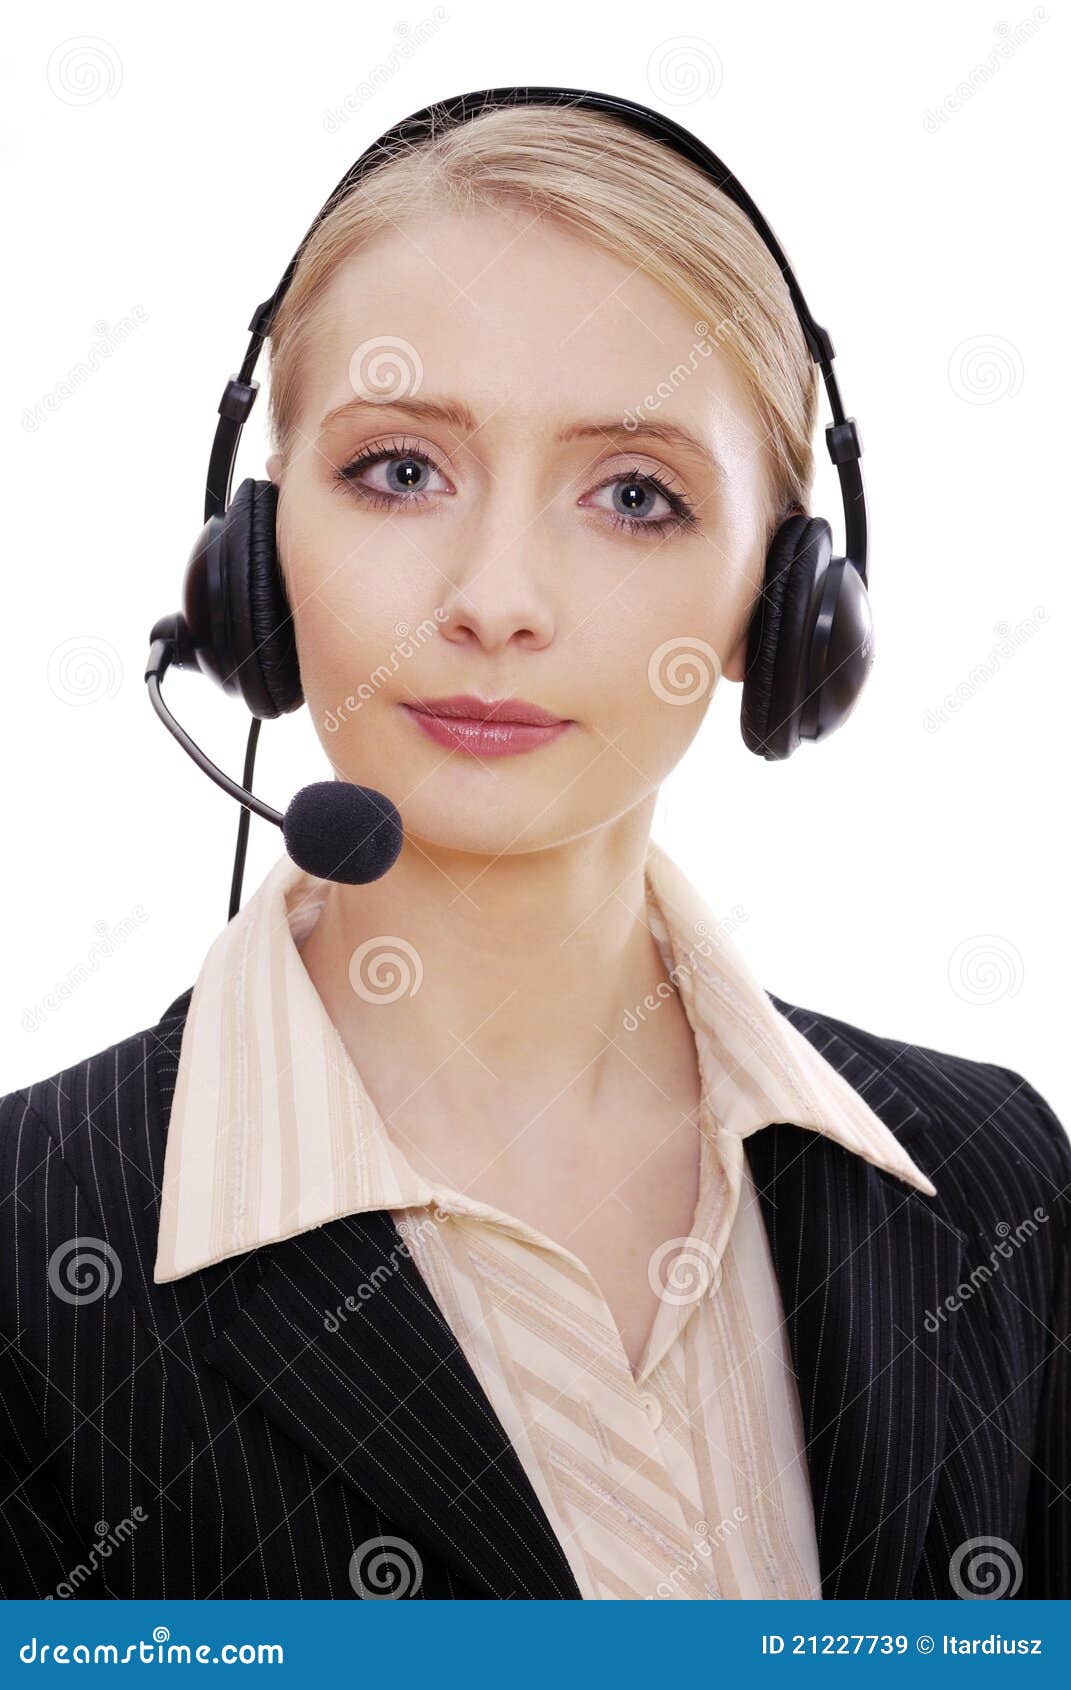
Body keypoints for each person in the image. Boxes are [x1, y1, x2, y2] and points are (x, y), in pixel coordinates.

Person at [1, 92, 1067, 1603]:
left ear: (789, 606)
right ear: (250, 562)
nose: (497, 597)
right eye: (399, 471)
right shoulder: (31, 1249)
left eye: (635, 495)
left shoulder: (997, 1183)